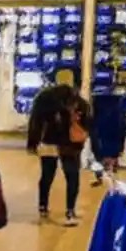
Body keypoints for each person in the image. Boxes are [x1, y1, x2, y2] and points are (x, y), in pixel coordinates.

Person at [26, 84, 91, 227]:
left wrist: (32, 142)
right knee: (72, 176)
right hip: (70, 145)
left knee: (47, 176)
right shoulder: (79, 104)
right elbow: (87, 124)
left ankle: (43, 207)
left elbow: (35, 122)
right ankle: (70, 210)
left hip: (49, 141)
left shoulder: (44, 99)